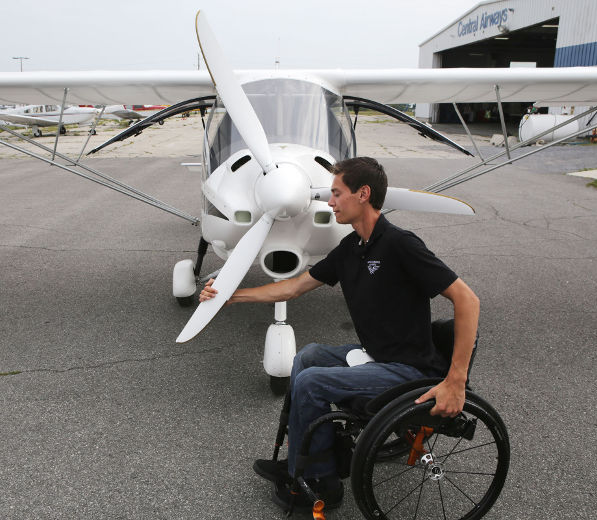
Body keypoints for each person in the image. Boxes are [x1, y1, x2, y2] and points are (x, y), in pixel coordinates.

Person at [199, 157, 480, 511]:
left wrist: (456, 381)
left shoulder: (400, 244)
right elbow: (294, 287)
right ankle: (299, 462)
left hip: (408, 370)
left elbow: (467, 300)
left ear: (363, 194)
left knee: (312, 382)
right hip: (378, 356)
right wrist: (231, 295)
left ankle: (322, 482)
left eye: (336, 193)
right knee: (307, 357)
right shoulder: (351, 248)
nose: (329, 202)